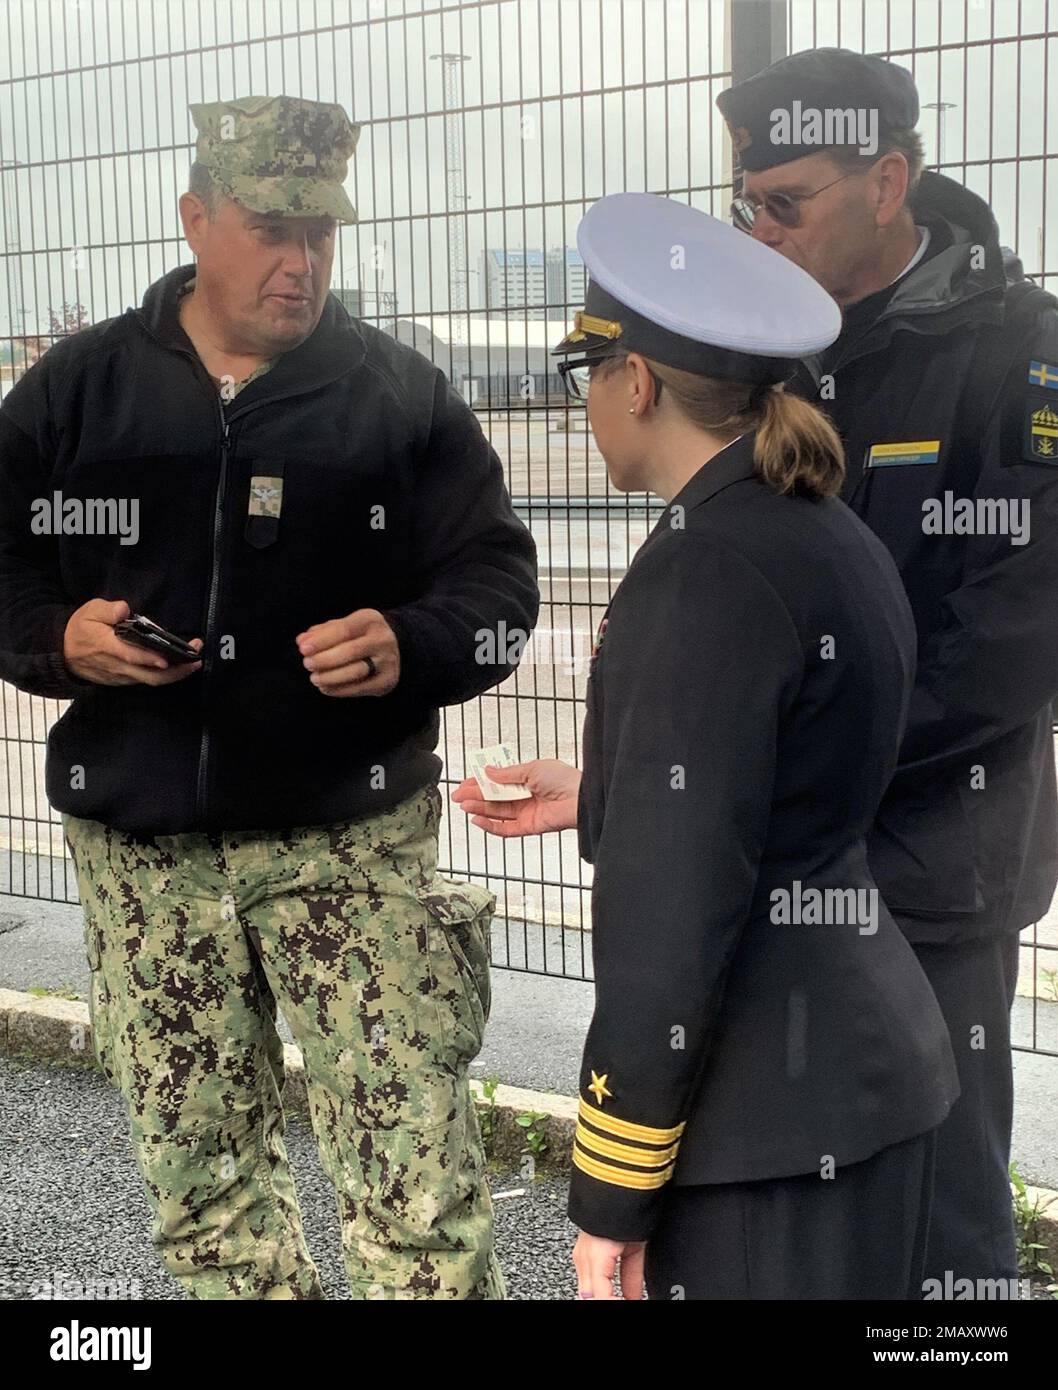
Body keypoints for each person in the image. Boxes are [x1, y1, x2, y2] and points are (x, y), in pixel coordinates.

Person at [0, 94, 539, 1299]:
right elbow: (6, 556)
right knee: (202, 1190)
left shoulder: (398, 396)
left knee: (416, 1191)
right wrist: (55, 636)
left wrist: (414, 640)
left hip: (350, 846)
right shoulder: (80, 391)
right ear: (196, 218)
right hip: (145, 858)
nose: (301, 263)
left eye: (322, 236)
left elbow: (498, 579)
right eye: (270, 229)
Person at [453, 191, 959, 1300]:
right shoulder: (817, 524)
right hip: (860, 1071)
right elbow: (778, 792)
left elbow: (673, 910)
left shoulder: (701, 571)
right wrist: (604, 794)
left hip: (756, 1124)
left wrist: (610, 1194)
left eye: (584, 374)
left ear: (632, 381)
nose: (586, 403)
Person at [717, 47, 1058, 1290]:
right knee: (797, 1189)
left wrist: (810, 756)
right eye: (745, 203)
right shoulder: (764, 353)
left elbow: (1013, 639)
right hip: (781, 850)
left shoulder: (1017, 352)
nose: (758, 229)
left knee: (944, 1208)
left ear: (887, 180)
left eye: (785, 203)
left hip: (928, 868)